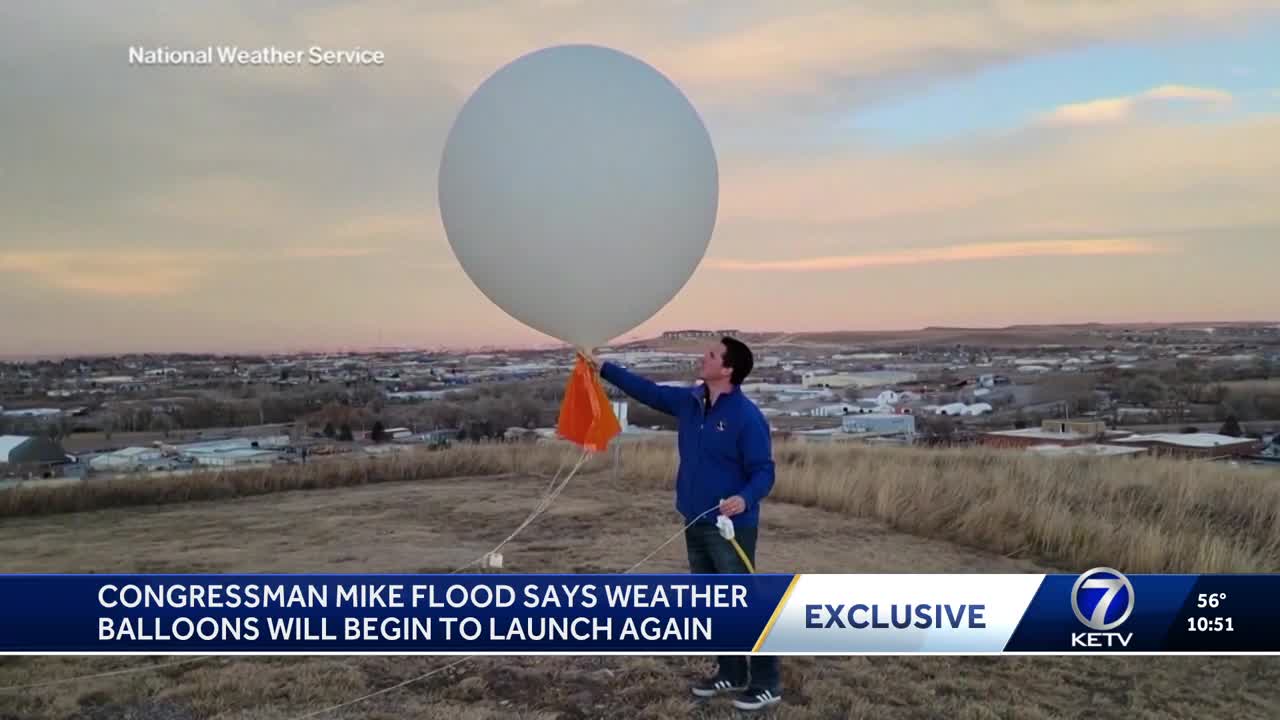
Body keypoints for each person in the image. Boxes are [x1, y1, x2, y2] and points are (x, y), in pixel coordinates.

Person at [581, 336, 782, 711]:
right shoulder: (690, 403)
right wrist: (603, 367)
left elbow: (764, 472)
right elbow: (649, 392)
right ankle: (732, 672)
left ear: (728, 369)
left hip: (730, 526)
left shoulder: (747, 417)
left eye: (709, 355)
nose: (700, 359)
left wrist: (744, 498)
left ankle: (768, 682)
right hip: (694, 518)